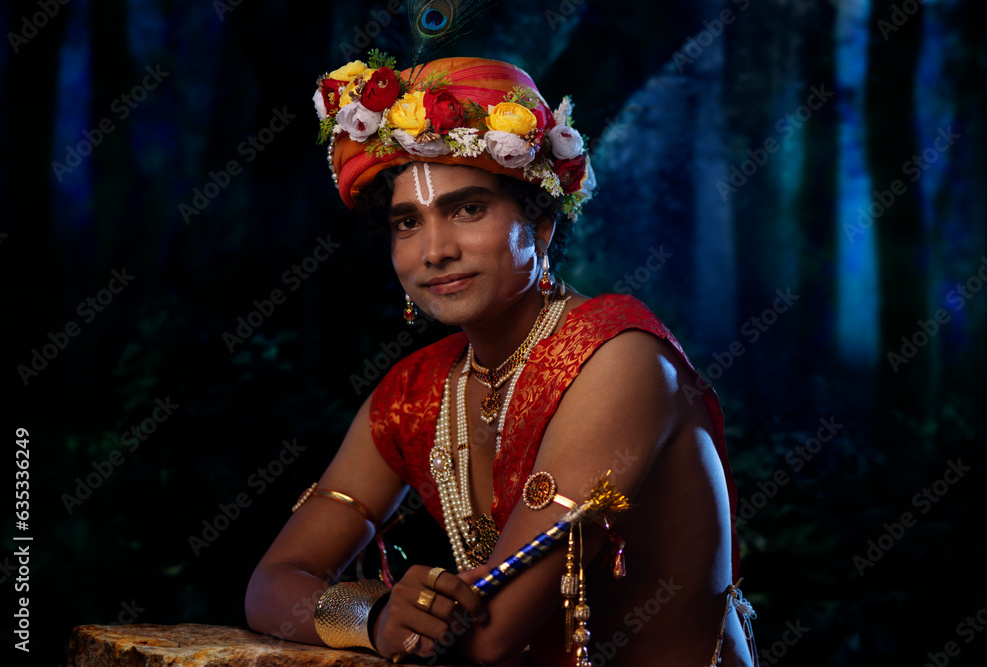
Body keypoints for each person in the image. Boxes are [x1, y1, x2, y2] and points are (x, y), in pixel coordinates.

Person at [245, 53, 755, 666]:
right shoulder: (415, 391)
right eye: (408, 222)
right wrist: (374, 615)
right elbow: (271, 585)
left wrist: (395, 617)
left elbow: (490, 637)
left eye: (467, 209)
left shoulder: (619, 358)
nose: (434, 251)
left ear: (539, 224)